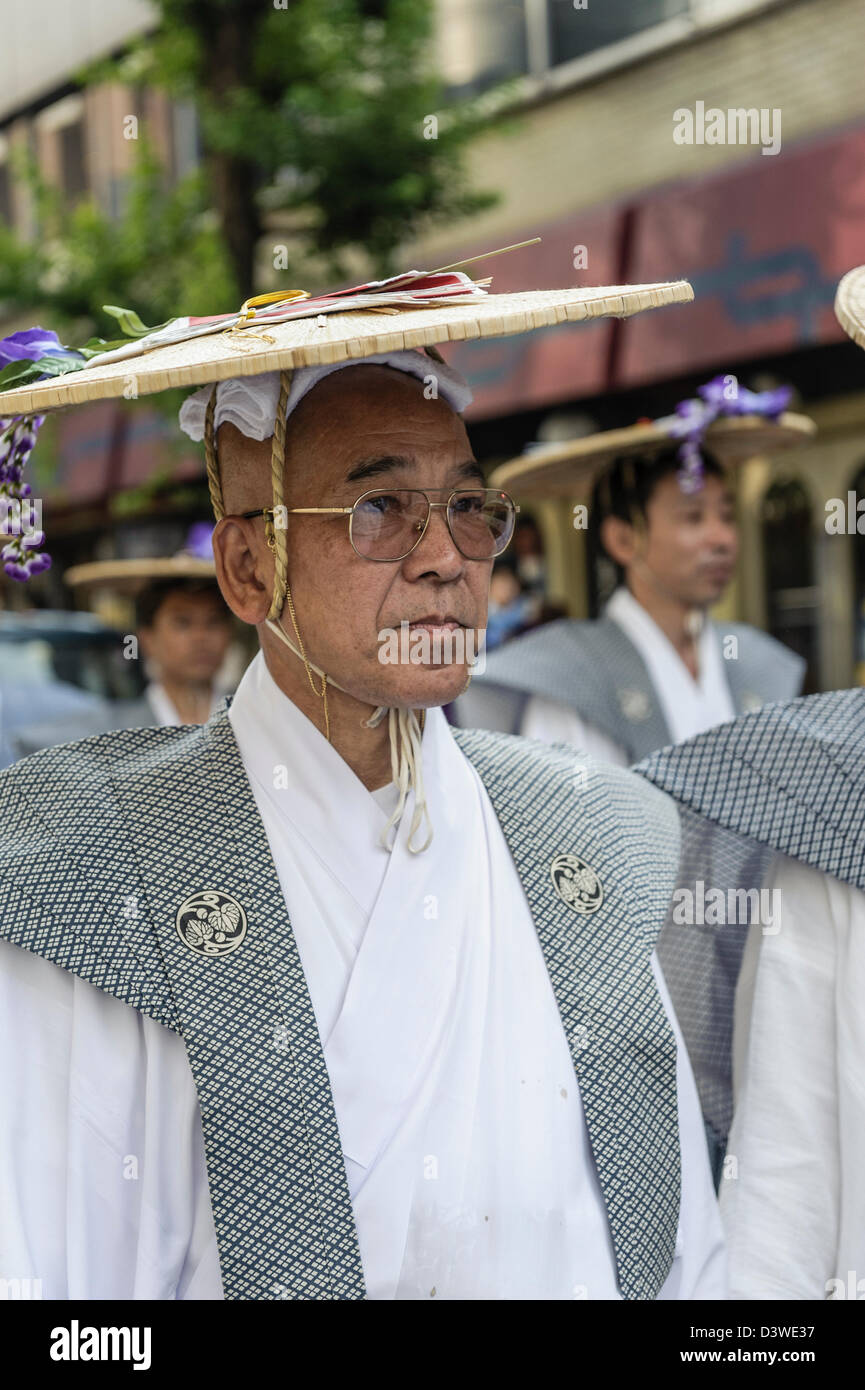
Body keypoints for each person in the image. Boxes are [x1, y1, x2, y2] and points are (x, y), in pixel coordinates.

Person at [0, 275, 728, 1301]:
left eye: (469, 507)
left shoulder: (583, 831)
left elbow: (685, 1251)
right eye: (380, 507)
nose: (446, 560)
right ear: (251, 570)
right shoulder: (93, 876)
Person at [454, 384, 812, 763]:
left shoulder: (755, 660)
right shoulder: (570, 679)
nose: (722, 537)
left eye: (726, 515)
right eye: (693, 517)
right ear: (624, 539)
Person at [11, 527, 234, 757]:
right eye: (183, 623)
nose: (201, 637)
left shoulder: (250, 714)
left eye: (214, 621)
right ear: (147, 638)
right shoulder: (109, 734)